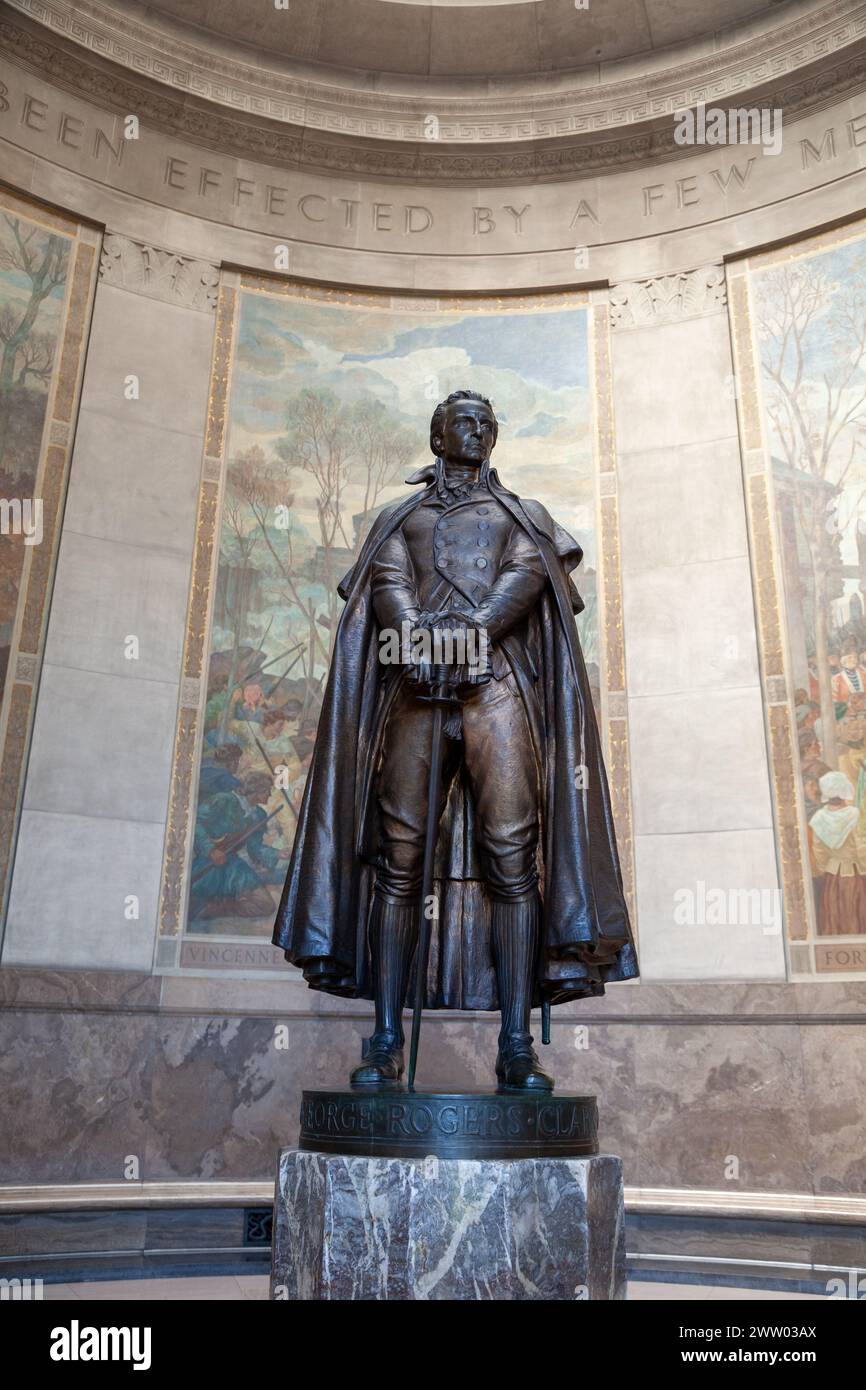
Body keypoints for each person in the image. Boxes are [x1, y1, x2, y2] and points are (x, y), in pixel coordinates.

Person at [273, 389, 638, 1090]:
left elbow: (528, 576)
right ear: (438, 436)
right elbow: (386, 579)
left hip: (497, 689)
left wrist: (468, 633)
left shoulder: (522, 517)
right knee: (398, 858)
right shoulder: (398, 518)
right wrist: (416, 639)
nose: (478, 431)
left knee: (511, 854)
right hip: (414, 691)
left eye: (487, 423)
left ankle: (515, 1045)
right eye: (464, 422)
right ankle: (383, 1040)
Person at [808, 771, 866, 935]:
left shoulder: (819, 818)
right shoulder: (854, 814)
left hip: (832, 876)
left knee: (835, 913)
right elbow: (861, 847)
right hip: (855, 874)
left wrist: (825, 866)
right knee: (856, 911)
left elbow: (818, 851)